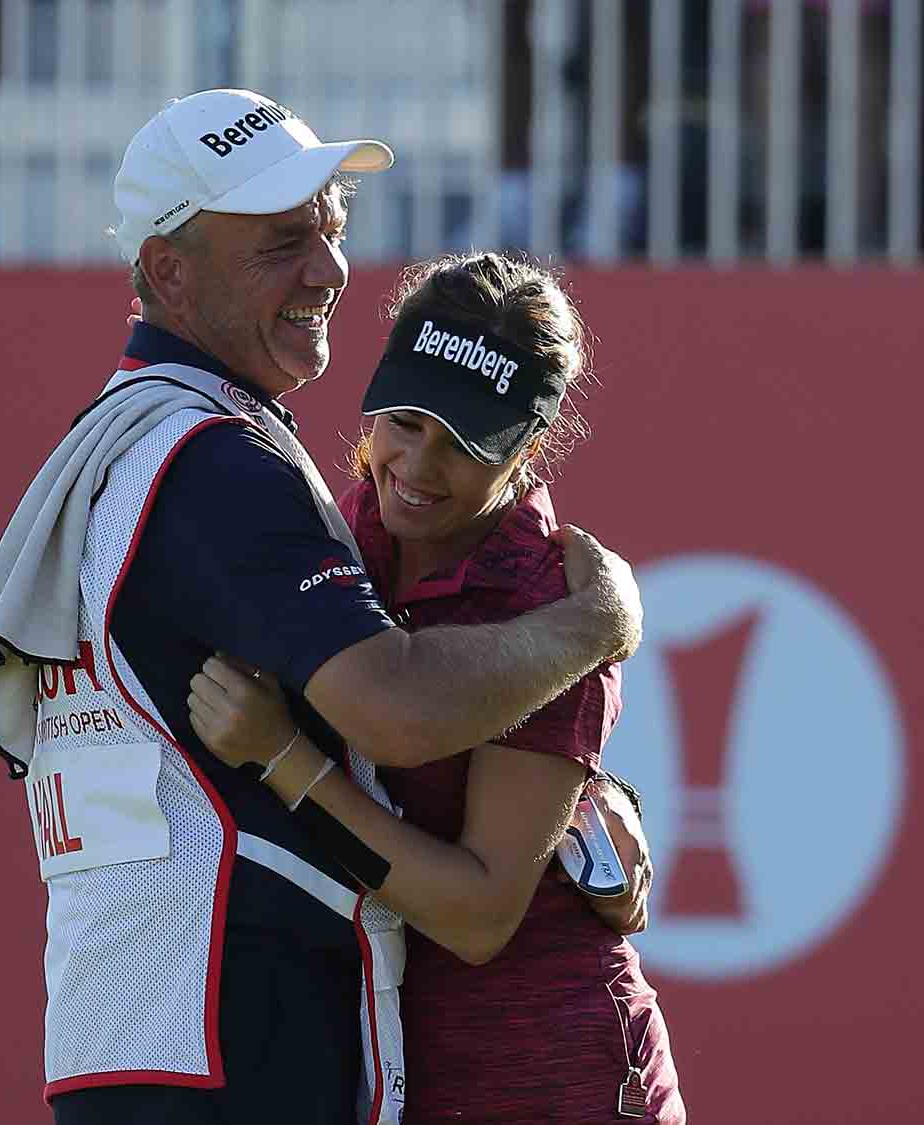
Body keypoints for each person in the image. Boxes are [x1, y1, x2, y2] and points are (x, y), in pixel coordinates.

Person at [0, 89, 646, 1125]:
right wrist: (598, 624)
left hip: (141, 1023)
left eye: (331, 229)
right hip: (231, 1030)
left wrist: (581, 788)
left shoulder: (138, 435)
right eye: (279, 244)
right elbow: (398, 711)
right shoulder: (218, 463)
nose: (326, 270)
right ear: (167, 271)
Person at [187, 251, 685, 1123]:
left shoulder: (550, 596)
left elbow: (477, 914)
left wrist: (283, 757)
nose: (417, 466)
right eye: (407, 421)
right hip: (386, 1072)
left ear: (529, 447)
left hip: (558, 1083)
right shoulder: (333, 531)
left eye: (462, 445)